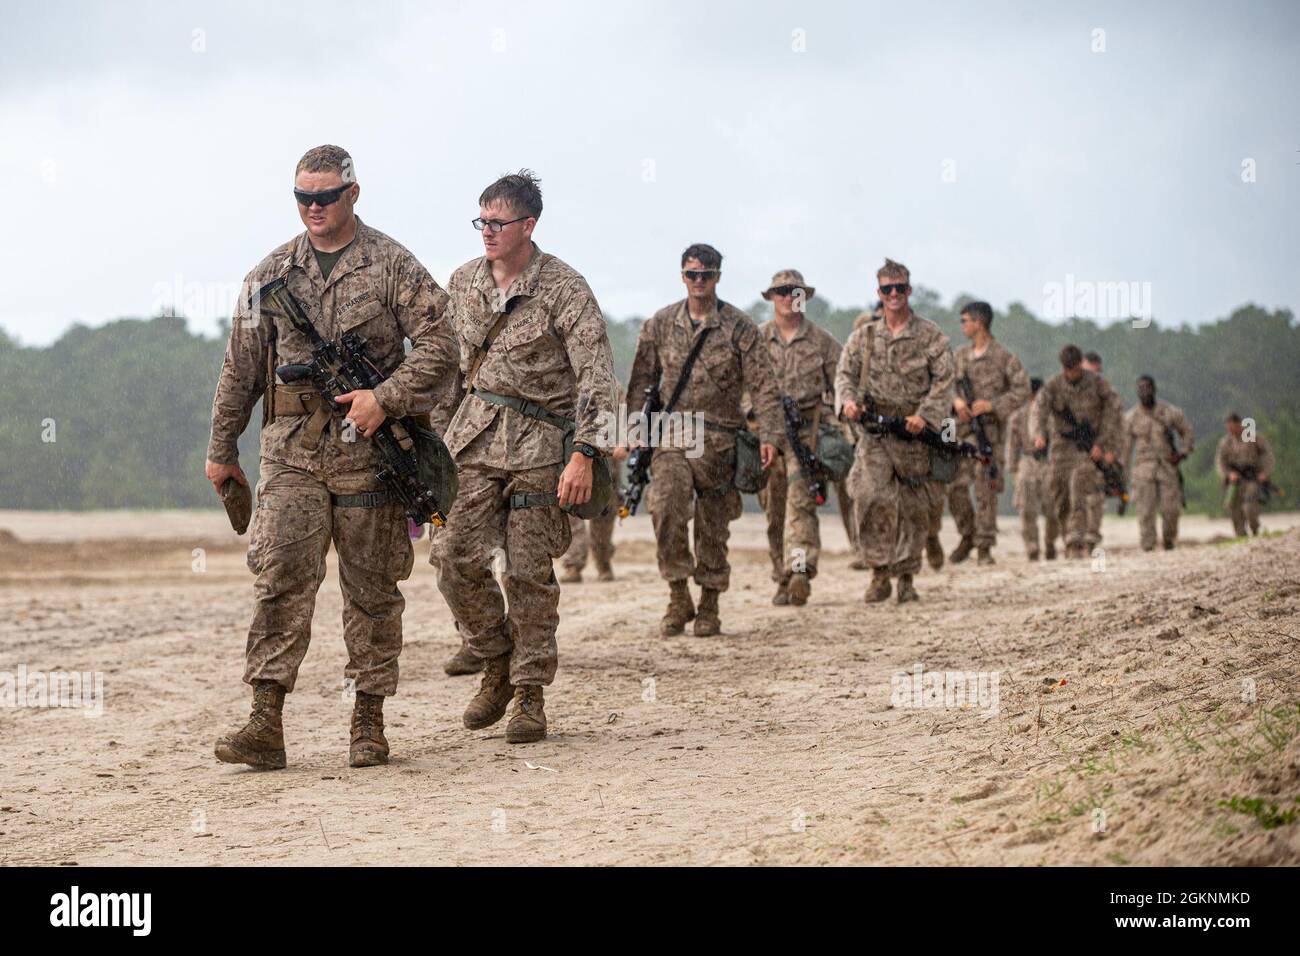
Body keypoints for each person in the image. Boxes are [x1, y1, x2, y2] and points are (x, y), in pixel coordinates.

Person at [206, 144, 458, 769]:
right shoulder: (269, 274)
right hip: (290, 452)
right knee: (281, 578)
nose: (313, 208)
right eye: (302, 197)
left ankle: (367, 718)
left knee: (371, 588)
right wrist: (220, 451)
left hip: (370, 453)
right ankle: (265, 720)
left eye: (324, 196)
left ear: (353, 193)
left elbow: (442, 345)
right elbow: (239, 370)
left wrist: (387, 396)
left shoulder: (392, 264)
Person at [433, 170, 618, 744]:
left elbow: (598, 377)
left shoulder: (563, 288)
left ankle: (530, 694)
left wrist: (585, 453)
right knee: (453, 559)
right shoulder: (462, 282)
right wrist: (430, 447)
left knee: (527, 570)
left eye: (498, 222)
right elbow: (445, 370)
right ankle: (495, 659)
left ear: (528, 225)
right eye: (480, 221)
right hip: (474, 441)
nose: (486, 231)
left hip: (544, 446)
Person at [626, 243, 781, 636]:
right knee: (665, 505)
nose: (699, 282)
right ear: (682, 276)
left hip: (722, 437)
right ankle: (678, 594)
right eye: (692, 274)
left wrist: (771, 436)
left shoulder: (740, 327)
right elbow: (642, 381)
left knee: (714, 525)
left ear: (717, 277)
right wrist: (634, 433)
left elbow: (763, 385)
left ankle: (710, 602)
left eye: (706, 275)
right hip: (676, 434)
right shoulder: (660, 324)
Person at [835, 259, 955, 603]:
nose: (894, 295)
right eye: (887, 289)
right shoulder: (865, 337)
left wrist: (926, 415)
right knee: (870, 496)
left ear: (909, 290)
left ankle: (905, 575)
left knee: (912, 507)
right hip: (875, 432)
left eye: (900, 288)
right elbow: (845, 374)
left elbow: (945, 379)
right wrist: (848, 402)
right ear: (879, 293)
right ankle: (878, 571)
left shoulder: (930, 335)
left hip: (914, 434)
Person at [754, 270, 842, 606]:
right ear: (771, 297)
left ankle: (800, 571)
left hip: (808, 436)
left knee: (801, 505)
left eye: (794, 291)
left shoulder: (823, 343)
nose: (788, 297)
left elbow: (843, 385)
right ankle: (782, 576)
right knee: (775, 510)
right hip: (766, 436)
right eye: (780, 292)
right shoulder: (757, 341)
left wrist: (837, 417)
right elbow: (743, 386)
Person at [945, 301, 1031, 565]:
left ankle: (984, 546)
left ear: (979, 323)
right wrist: (955, 402)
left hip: (990, 435)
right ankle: (968, 533)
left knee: (985, 488)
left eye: (965, 321)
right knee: (954, 485)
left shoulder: (1004, 358)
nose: (962, 326)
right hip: (961, 432)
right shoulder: (959, 356)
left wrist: (992, 405)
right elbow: (944, 384)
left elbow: (1022, 391)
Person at [1030, 345, 1122, 559]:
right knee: (1061, 495)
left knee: (1078, 489)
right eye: (1067, 369)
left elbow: (1113, 410)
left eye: (1075, 368)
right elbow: (1038, 411)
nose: (1071, 373)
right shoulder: (1053, 386)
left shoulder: (1098, 383)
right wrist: (1039, 435)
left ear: (1081, 364)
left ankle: (1076, 539)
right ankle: (1068, 536)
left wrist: (1102, 443)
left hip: (1088, 448)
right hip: (1061, 446)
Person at [1120, 375, 1194, 550]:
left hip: (1167, 466)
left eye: (1148, 387)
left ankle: (1169, 541)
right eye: (1141, 388)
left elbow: (1187, 432)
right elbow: (1125, 449)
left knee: (1171, 509)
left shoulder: (1169, 412)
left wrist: (1182, 453)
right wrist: (1121, 474)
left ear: (1154, 389)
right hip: (1143, 468)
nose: (1145, 392)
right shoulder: (1130, 418)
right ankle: (1148, 545)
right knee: (1145, 511)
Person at [1005, 379, 1059, 560]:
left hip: (1048, 462)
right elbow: (1012, 445)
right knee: (1027, 509)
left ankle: (1050, 541)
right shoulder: (1018, 417)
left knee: (1053, 510)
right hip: (1027, 461)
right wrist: (1013, 469)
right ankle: (1032, 546)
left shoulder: (1052, 417)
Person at [1079, 351, 1123, 550]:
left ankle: (1091, 538)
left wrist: (1111, 450)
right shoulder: (1069, 389)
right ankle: (1074, 538)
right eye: (1089, 370)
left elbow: (1117, 425)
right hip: (1075, 452)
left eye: (1096, 372)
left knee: (1095, 495)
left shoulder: (1108, 394)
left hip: (1099, 451)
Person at [1215, 413, 1276, 537]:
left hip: (1251, 478)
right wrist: (1228, 475)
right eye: (1228, 428)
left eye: (1232, 427)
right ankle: (1240, 535)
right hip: (1235, 481)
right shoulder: (1226, 442)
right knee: (1235, 510)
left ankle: (1255, 530)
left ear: (1239, 425)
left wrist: (1265, 473)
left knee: (1250, 506)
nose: (1230, 430)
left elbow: (1268, 456)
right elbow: (1220, 462)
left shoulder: (1252, 437)